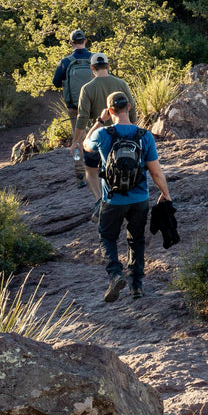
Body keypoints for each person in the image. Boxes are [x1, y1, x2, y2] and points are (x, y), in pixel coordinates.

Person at [83, 91, 171, 302]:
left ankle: (115, 275)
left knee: (107, 237)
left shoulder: (104, 134)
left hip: (112, 200)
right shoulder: (144, 135)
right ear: (129, 107)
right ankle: (136, 286)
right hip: (139, 199)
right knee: (136, 240)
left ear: (110, 110)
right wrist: (165, 194)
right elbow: (156, 172)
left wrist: (98, 121)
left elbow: (85, 144)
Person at [70, 53, 137, 198]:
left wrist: (76, 141)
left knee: (92, 172)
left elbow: (82, 117)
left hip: (99, 135)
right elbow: (132, 108)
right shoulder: (121, 84)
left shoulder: (87, 89)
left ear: (92, 68)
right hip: (123, 135)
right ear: (107, 66)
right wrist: (133, 128)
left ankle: (100, 200)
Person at [52, 30, 92, 131]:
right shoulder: (95, 58)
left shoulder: (65, 62)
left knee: (77, 135)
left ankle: (78, 146)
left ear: (71, 43)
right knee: (95, 134)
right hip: (94, 105)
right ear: (85, 41)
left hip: (74, 106)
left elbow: (56, 83)